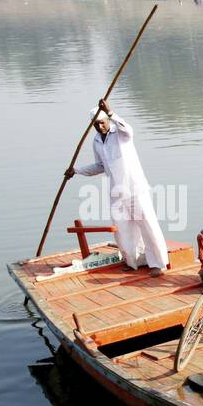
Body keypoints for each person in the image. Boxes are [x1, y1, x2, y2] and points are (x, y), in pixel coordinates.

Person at [65, 100, 168, 275]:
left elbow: (129, 130)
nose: (99, 126)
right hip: (116, 191)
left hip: (135, 188)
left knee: (147, 225)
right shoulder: (96, 141)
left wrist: (111, 112)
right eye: (96, 124)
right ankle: (133, 261)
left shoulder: (120, 133)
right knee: (122, 228)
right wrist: (77, 170)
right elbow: (100, 166)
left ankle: (158, 263)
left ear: (108, 120)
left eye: (102, 122)